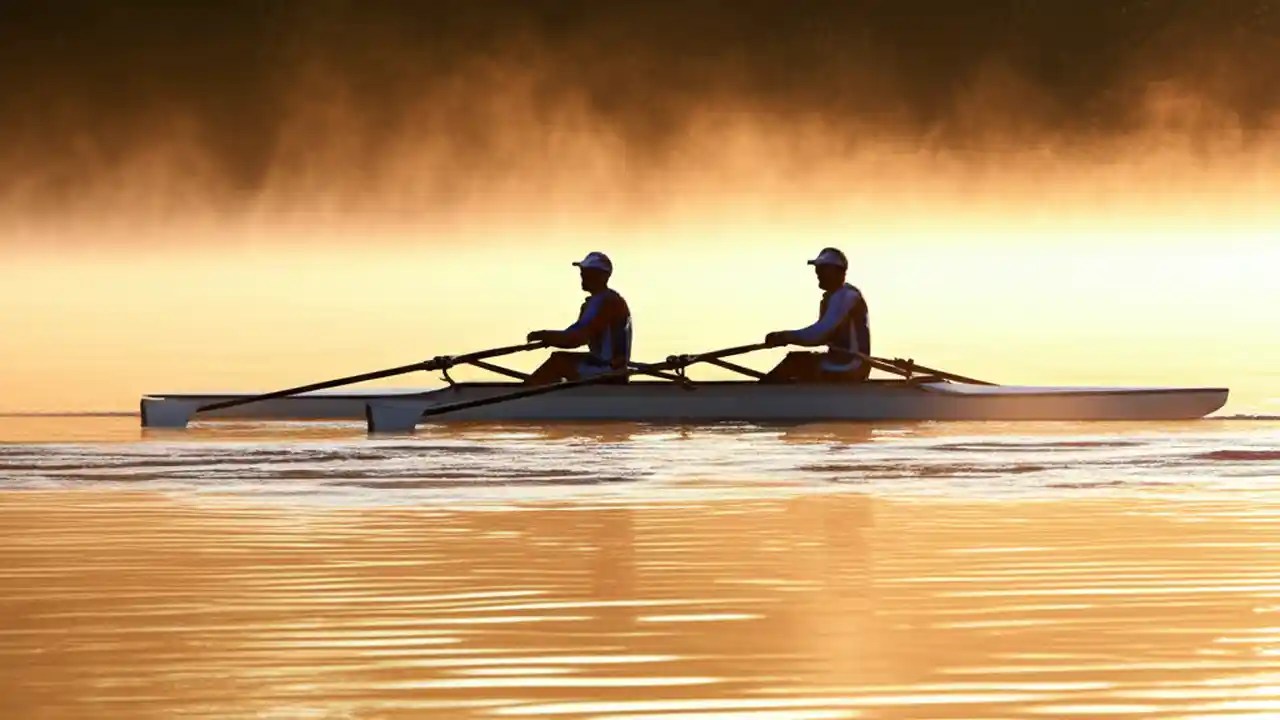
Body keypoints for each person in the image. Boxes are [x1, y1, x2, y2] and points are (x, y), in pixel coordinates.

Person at [762, 247, 871, 383]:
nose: (818, 274)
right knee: (796, 362)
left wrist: (785, 336)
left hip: (850, 365)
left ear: (838, 271)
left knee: (794, 363)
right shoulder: (835, 296)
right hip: (842, 362)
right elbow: (822, 336)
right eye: (817, 269)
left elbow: (818, 335)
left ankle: (758, 397)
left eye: (822, 269)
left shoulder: (846, 297)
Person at [525, 252, 633, 385]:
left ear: (602, 276)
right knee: (558, 360)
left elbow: (577, 338)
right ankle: (540, 391)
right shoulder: (598, 302)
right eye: (583, 271)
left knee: (558, 362)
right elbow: (573, 334)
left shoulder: (607, 303)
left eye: (588, 272)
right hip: (604, 365)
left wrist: (545, 335)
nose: (582, 275)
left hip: (610, 370)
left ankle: (529, 396)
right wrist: (553, 338)